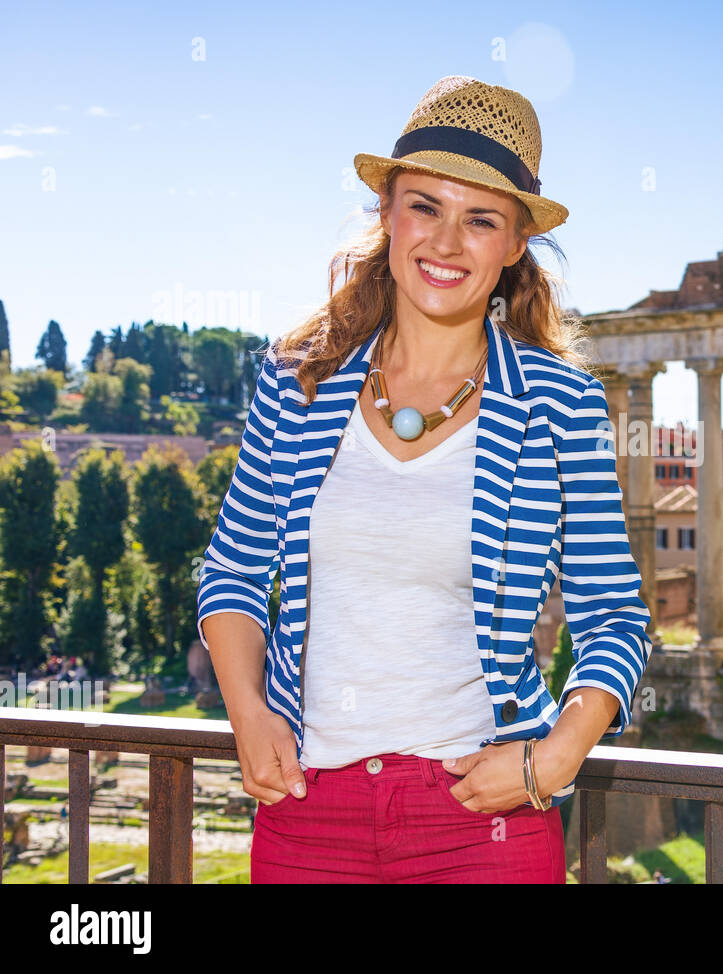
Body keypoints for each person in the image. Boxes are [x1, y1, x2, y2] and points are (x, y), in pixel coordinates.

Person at [196, 76, 653, 884]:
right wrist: (248, 713)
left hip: (484, 819)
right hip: (307, 807)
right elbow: (231, 572)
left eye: (480, 219)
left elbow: (613, 616)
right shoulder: (295, 383)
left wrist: (554, 757)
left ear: (515, 244)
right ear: (386, 214)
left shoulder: (562, 402)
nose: (446, 242)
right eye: (425, 207)